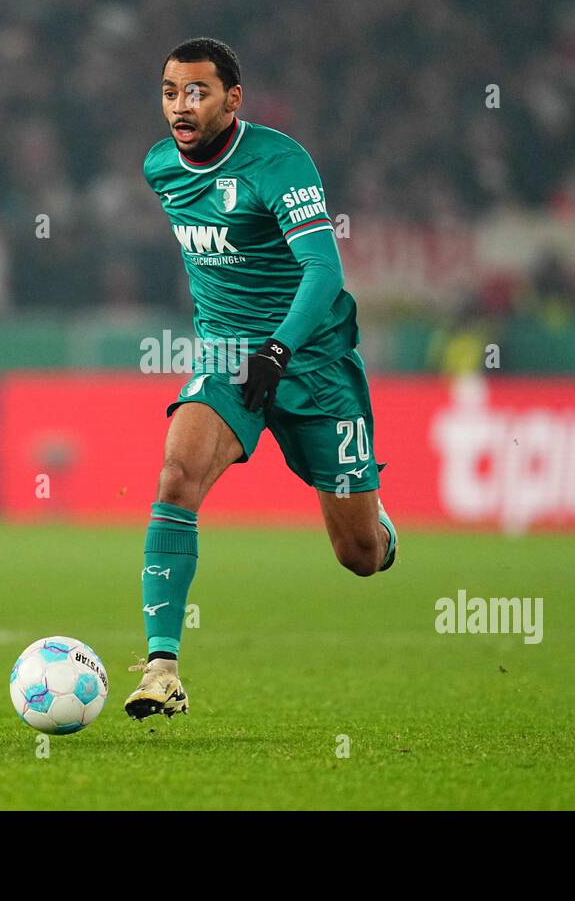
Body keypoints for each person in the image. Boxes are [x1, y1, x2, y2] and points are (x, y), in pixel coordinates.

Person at [124, 38, 397, 720]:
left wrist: (278, 348)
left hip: (312, 364)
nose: (180, 107)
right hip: (226, 359)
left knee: (359, 554)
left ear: (232, 99)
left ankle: (378, 521)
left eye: (197, 92)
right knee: (175, 476)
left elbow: (323, 271)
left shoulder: (280, 163)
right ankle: (162, 668)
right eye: (169, 92)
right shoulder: (160, 167)